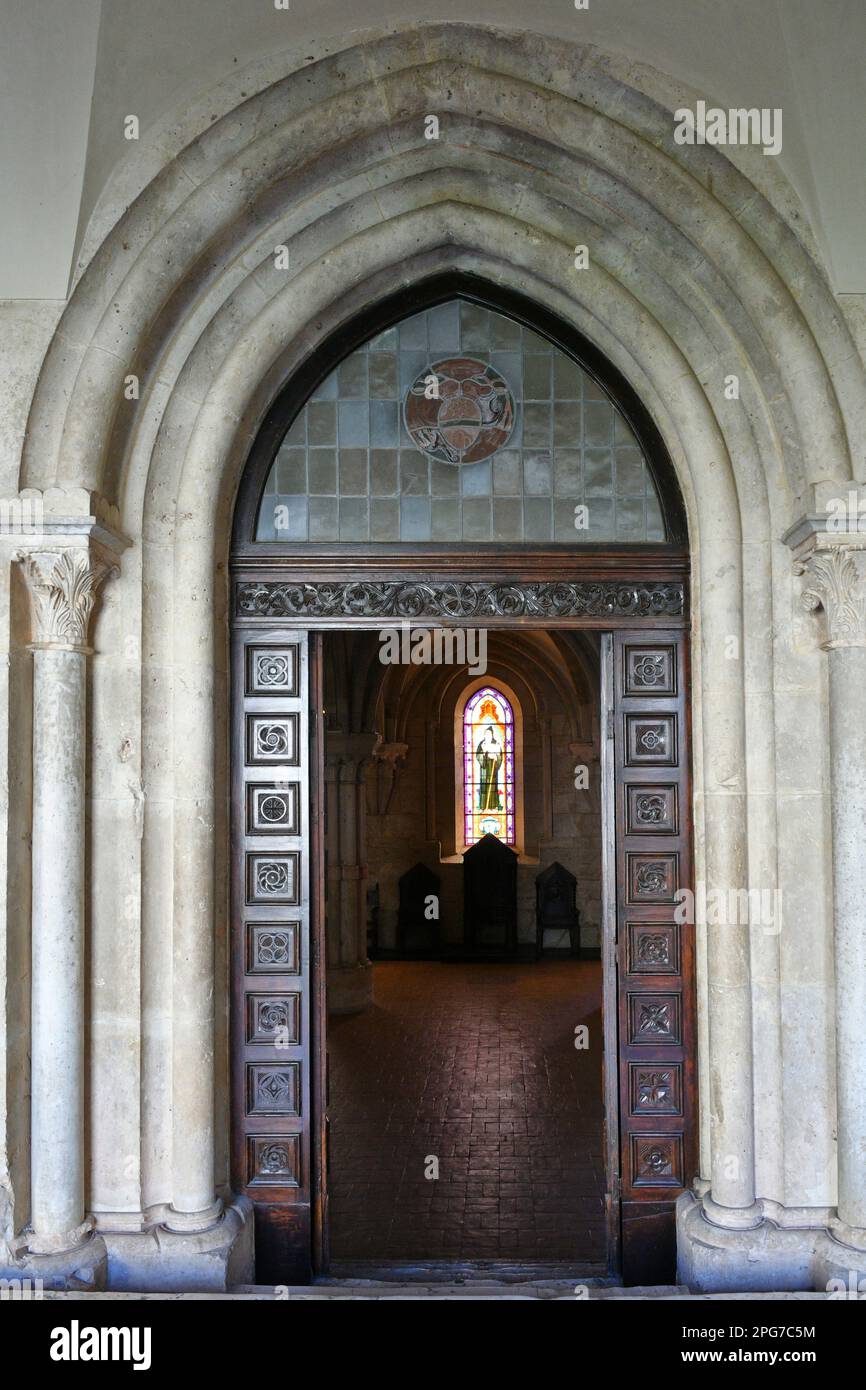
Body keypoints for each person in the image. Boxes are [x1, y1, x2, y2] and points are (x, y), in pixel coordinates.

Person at [476, 723, 503, 811]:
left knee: (493, 786)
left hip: (492, 768)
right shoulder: (481, 744)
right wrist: (483, 753)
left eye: (489, 734)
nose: (488, 735)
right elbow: (478, 755)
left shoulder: (496, 743)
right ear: (484, 735)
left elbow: (500, 755)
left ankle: (493, 806)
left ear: (492, 735)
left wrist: (496, 757)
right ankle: (484, 806)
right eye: (486, 734)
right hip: (484, 769)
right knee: (484, 786)